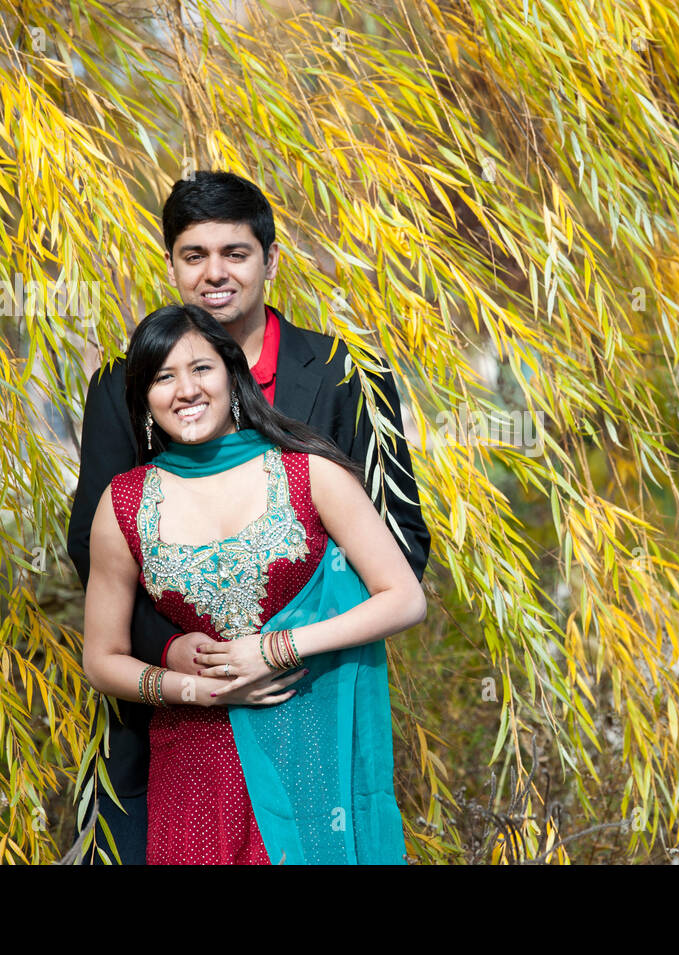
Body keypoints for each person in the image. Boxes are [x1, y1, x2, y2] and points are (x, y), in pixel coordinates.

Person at [65, 171, 430, 863]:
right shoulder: (123, 384)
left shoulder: (346, 372)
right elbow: (97, 545)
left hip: (319, 690)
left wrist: (289, 643)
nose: (215, 273)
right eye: (194, 255)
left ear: (269, 259)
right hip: (185, 708)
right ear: (171, 263)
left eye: (235, 253)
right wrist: (176, 650)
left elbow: (398, 541)